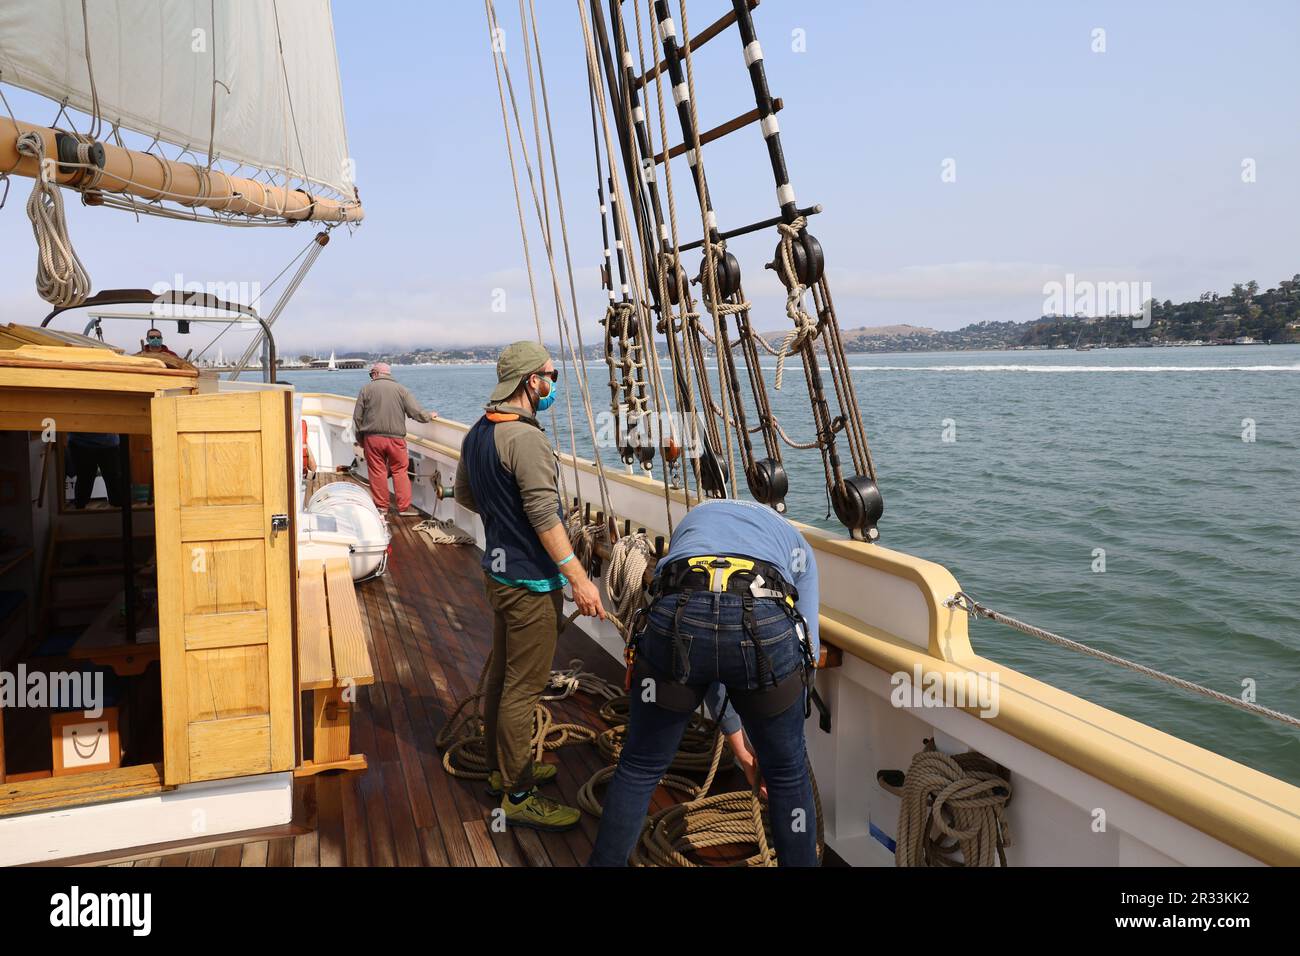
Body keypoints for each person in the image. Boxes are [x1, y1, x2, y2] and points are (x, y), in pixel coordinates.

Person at [589, 497, 821, 866]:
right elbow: (808, 650)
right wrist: (770, 737)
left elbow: (704, 655)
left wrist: (740, 747)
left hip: (679, 611)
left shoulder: (692, 522)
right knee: (788, 777)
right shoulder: (798, 547)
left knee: (640, 767)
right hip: (764, 620)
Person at [454, 341, 605, 832]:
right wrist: (579, 580)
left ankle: (501, 770)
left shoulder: (479, 432)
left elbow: (463, 495)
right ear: (529, 382)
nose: (552, 383)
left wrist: (505, 526)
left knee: (501, 677)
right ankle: (518, 794)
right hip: (530, 584)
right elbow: (544, 514)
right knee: (524, 689)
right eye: (549, 374)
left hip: (497, 573)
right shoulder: (527, 440)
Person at [352, 362, 436, 517]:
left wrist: (361, 439)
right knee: (400, 471)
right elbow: (416, 412)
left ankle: (381, 507)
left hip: (373, 438)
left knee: (377, 471)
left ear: (376, 373)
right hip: (396, 439)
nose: (371, 377)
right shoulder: (401, 390)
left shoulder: (366, 390)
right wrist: (429, 416)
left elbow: (357, 418)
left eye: (371, 374)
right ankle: (404, 508)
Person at [66, 433, 123, 509]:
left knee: (114, 483)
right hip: (81, 443)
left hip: (107, 443)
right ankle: (79, 511)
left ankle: (118, 512)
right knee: (84, 481)